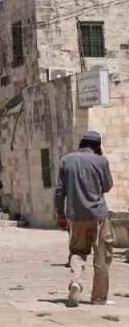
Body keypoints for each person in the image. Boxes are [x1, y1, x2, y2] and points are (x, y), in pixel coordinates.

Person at [55, 130, 113, 308]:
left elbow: (59, 191)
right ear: (96, 145)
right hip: (98, 215)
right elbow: (107, 186)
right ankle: (98, 298)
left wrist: (60, 214)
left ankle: (75, 282)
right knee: (102, 256)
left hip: (75, 215)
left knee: (77, 252)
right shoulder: (101, 161)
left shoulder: (66, 160)